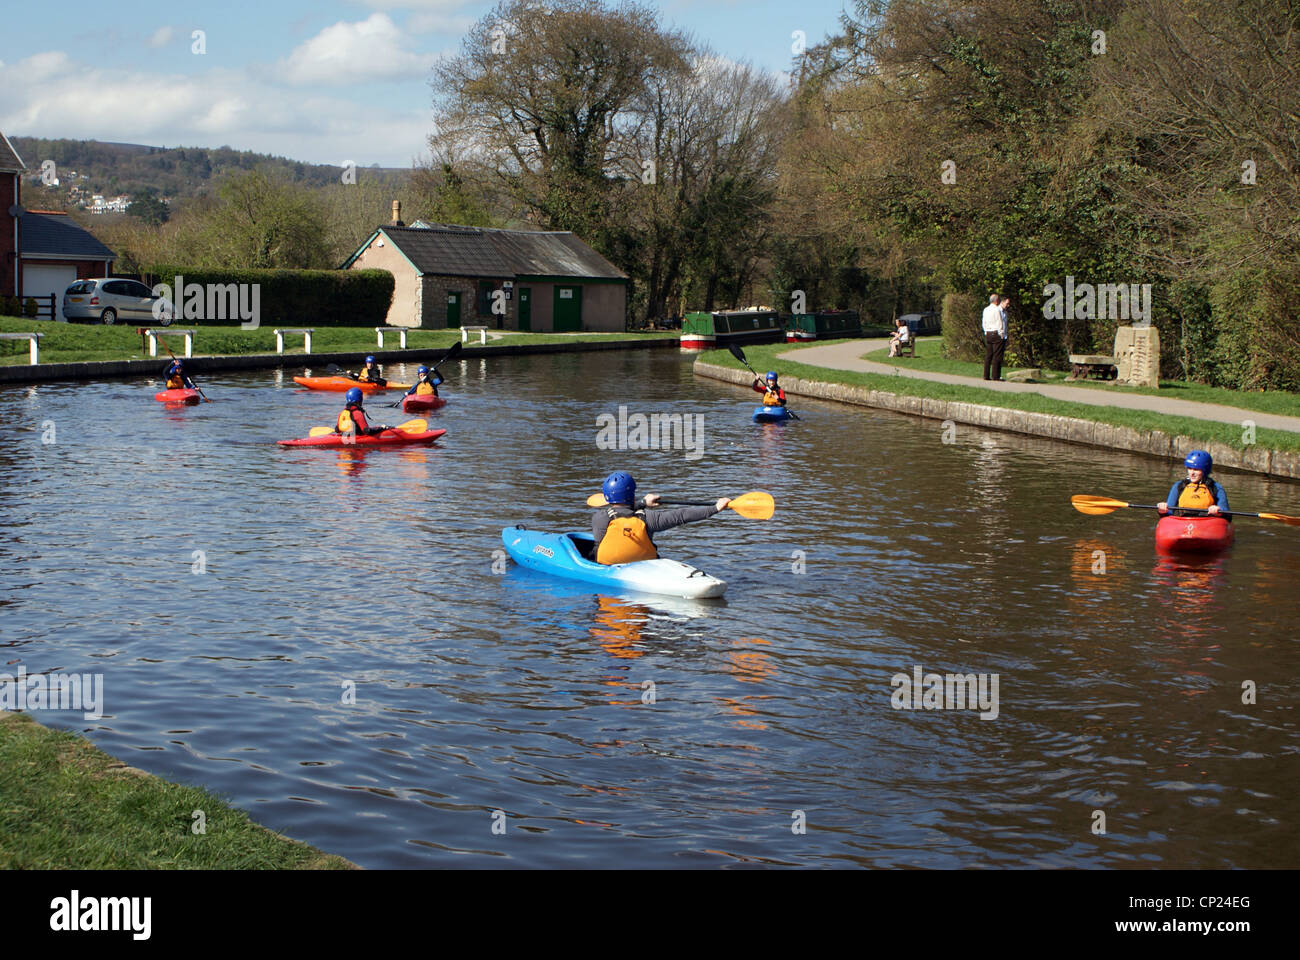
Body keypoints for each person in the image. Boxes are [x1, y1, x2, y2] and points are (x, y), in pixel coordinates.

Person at [592, 472, 731, 564]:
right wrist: (715, 508)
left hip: (607, 567)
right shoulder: (649, 518)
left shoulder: (600, 518)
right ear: (632, 495)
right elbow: (682, 515)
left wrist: (642, 503)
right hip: (645, 567)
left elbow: (621, 512)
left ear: (607, 498)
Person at [1157, 450, 1230, 518]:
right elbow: (1168, 514)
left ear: (1205, 470)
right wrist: (1162, 511)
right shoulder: (1179, 486)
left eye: (1196, 469)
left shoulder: (1215, 487)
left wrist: (1218, 511)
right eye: (1189, 468)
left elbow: (1228, 516)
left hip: (1207, 524)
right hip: (1184, 524)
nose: (1191, 473)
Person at [982, 293, 1007, 381]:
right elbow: (999, 322)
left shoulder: (986, 309)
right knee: (997, 355)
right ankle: (995, 376)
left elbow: (984, 321)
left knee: (988, 355)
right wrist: (1001, 334)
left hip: (988, 333)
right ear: (996, 301)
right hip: (996, 333)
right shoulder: (997, 310)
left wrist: (985, 331)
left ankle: (986, 375)